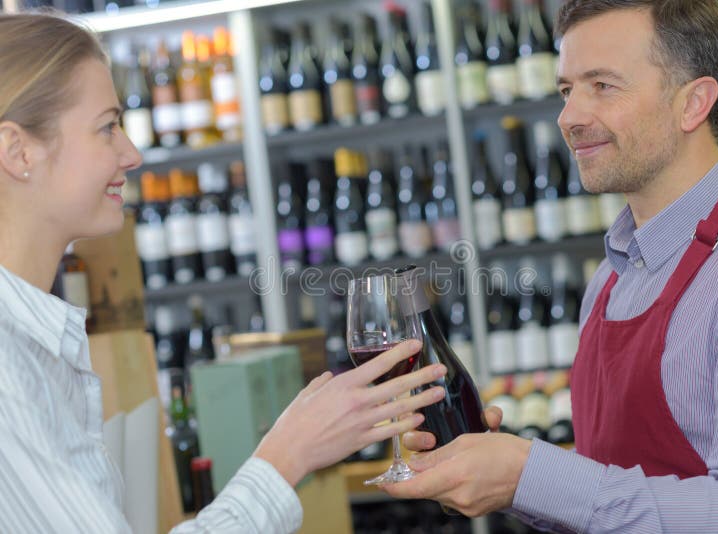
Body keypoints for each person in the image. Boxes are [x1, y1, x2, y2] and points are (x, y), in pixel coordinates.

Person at [0, 12, 449, 534]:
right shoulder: (8, 364)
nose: (132, 153)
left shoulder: (37, 339)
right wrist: (289, 453)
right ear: (18, 151)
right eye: (107, 127)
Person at [383, 1, 718, 532]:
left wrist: (529, 474)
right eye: (566, 90)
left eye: (602, 85)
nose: (569, 117)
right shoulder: (610, 278)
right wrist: (500, 473)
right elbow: (612, 503)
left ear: (693, 103)